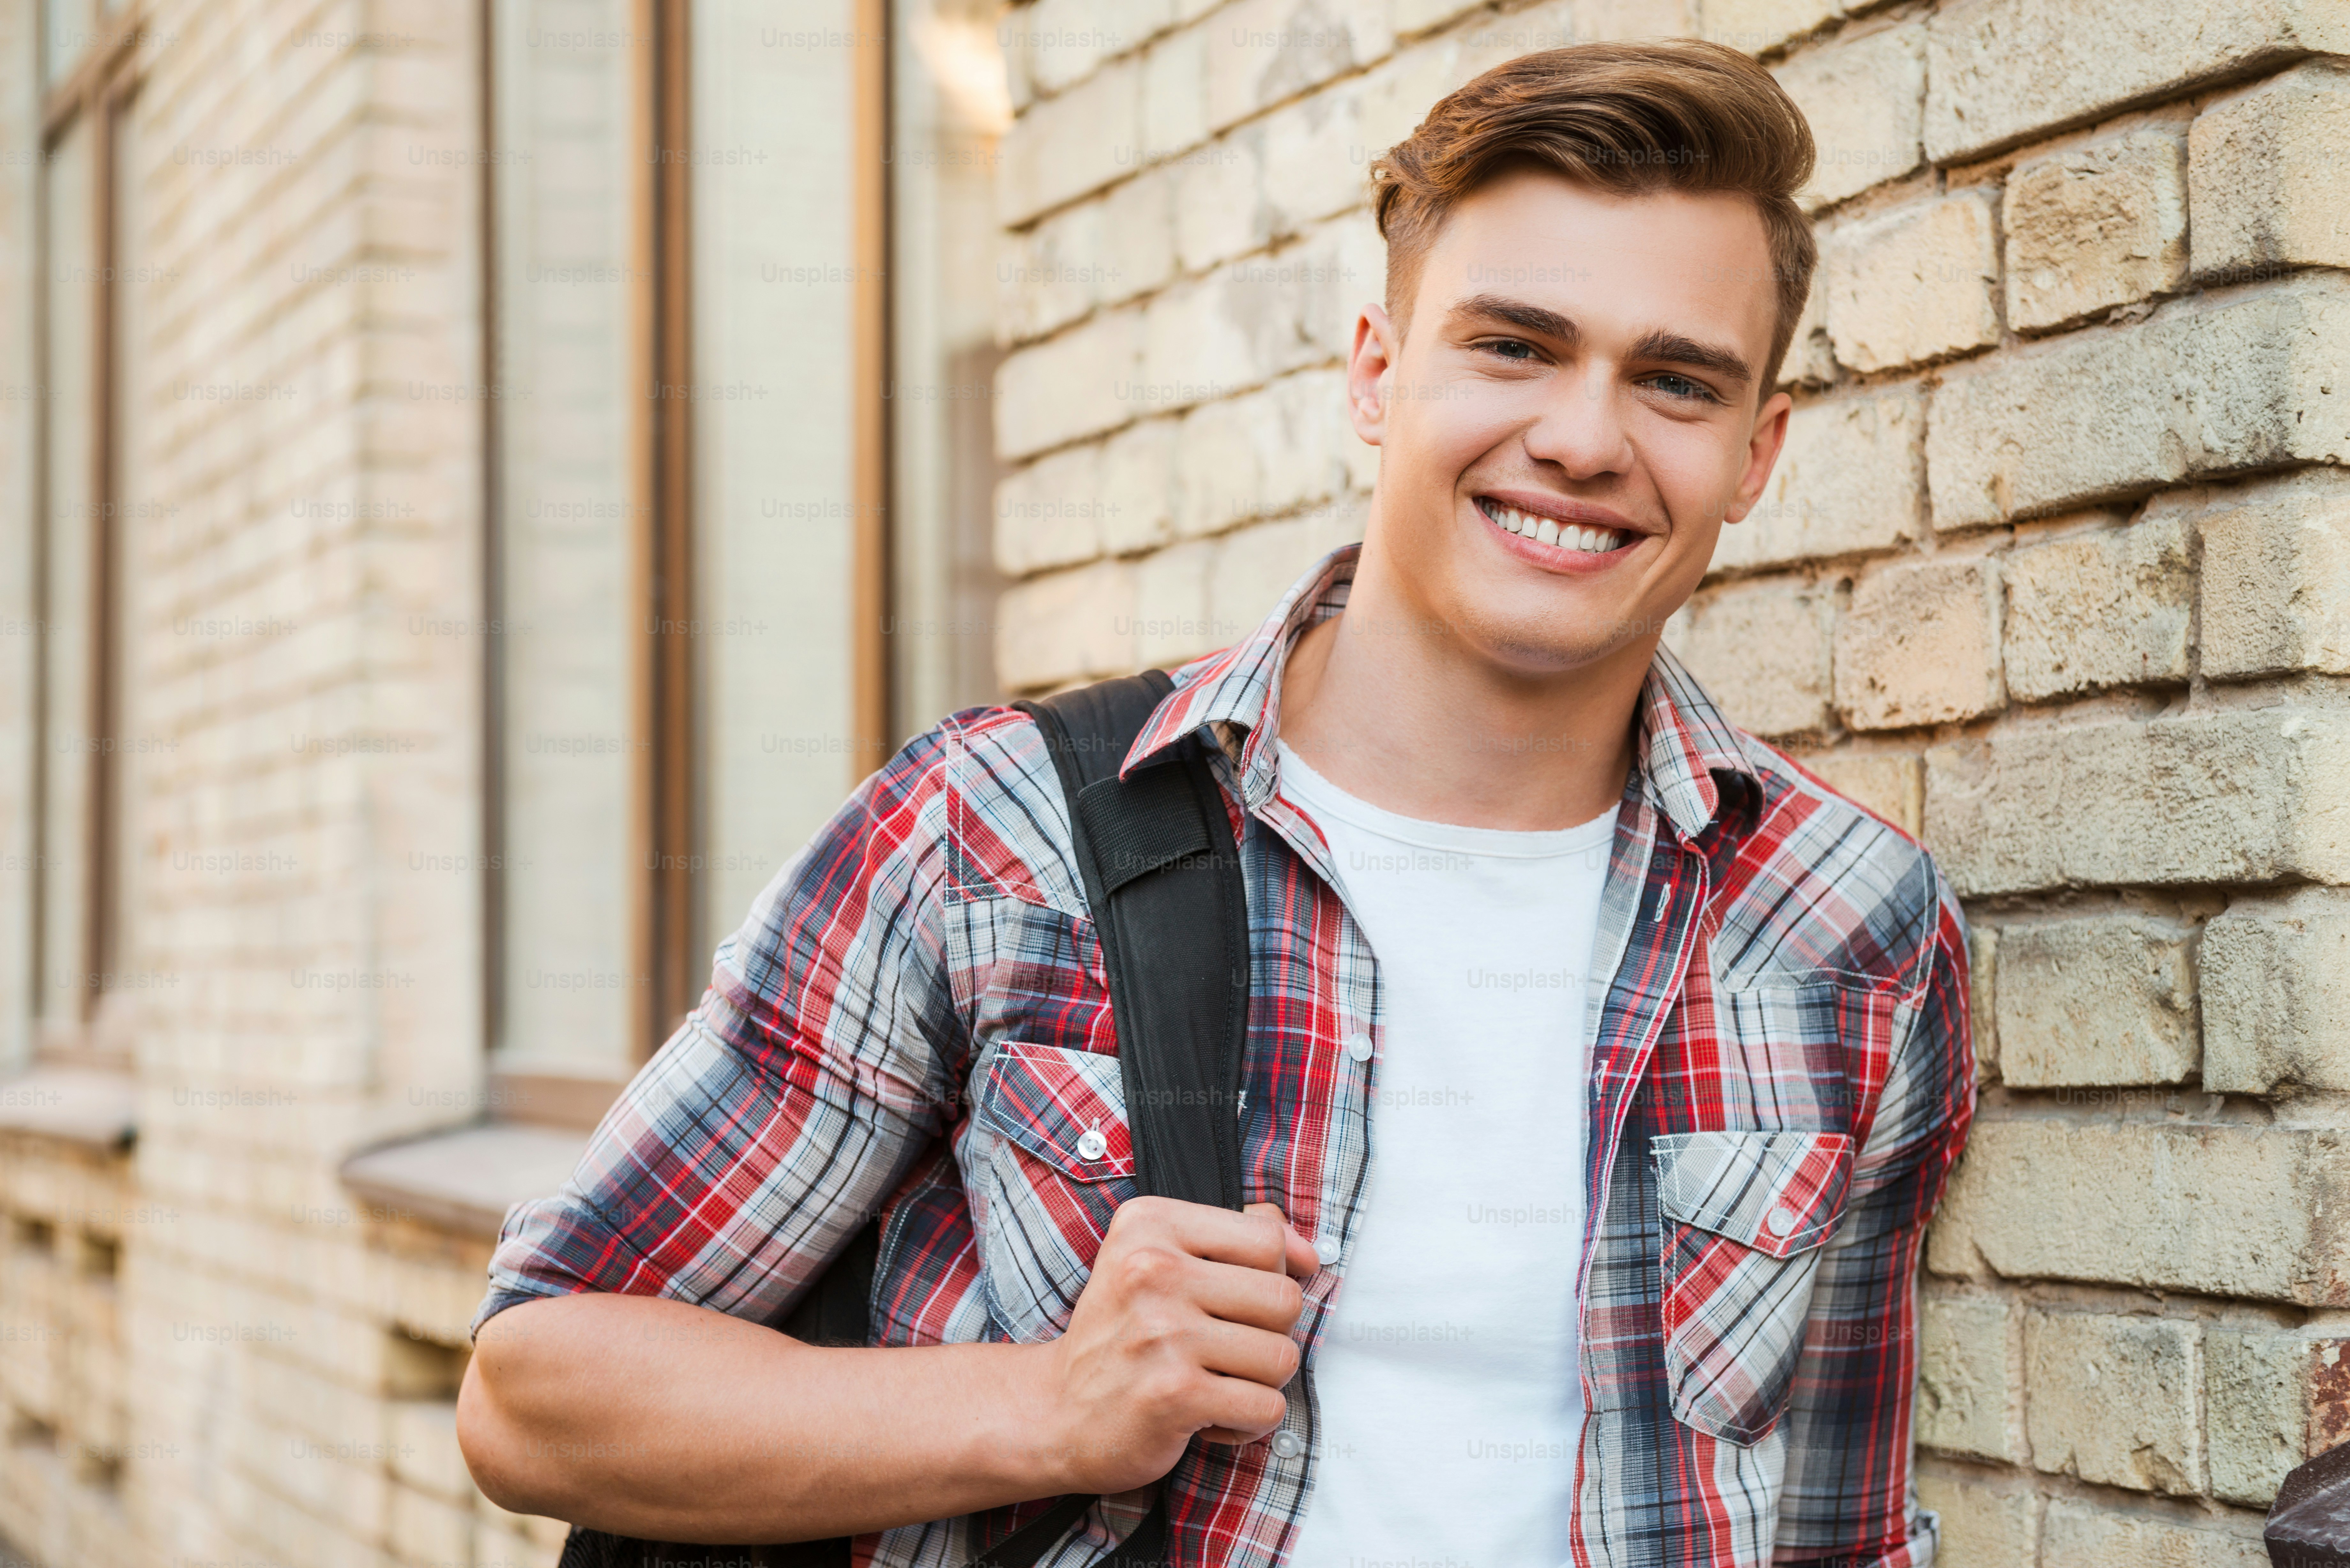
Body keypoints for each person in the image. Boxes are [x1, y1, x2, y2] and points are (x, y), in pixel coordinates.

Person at [457, 38, 1974, 1568]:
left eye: (1674, 380)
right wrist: (1048, 1405)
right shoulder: (999, 831)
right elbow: (538, 1391)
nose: (1584, 439)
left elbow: (1837, 1529)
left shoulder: (1849, 921)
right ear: (1378, 375)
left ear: (1755, 453)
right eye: (1514, 346)